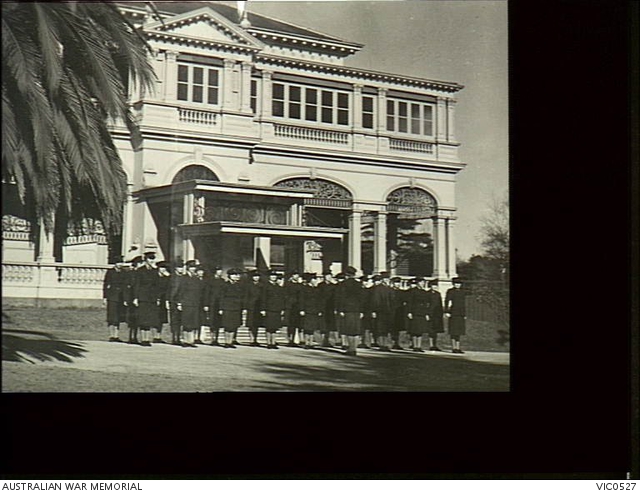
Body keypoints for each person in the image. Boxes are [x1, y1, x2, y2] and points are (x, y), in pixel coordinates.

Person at [132, 251, 161, 347]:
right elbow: (137, 285)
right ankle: (143, 338)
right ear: (146, 260)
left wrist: (157, 297)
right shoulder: (140, 271)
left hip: (152, 297)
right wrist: (136, 297)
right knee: (143, 318)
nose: (152, 261)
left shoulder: (154, 271)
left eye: (153, 259)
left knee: (149, 318)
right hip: (142, 296)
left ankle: (147, 339)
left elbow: (157, 286)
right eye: (150, 259)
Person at [334, 266, 364, 356]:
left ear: (346, 274)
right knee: (356, 330)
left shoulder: (343, 284)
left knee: (349, 330)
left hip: (347, 310)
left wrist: (340, 309)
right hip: (357, 310)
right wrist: (361, 310)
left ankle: (351, 349)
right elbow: (362, 298)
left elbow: (340, 298)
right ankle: (354, 348)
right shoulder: (358, 284)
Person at [175, 260, 205, 347]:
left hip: (195, 303)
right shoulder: (184, 278)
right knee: (186, 322)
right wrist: (179, 303)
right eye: (191, 267)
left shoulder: (196, 279)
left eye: (194, 267)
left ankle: (190, 341)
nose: (193, 269)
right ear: (188, 268)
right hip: (186, 303)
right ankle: (184, 340)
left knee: (193, 322)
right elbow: (180, 291)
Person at [102, 258, 129, 342]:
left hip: (120, 296)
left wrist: (125, 298)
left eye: (121, 262)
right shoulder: (110, 272)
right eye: (118, 262)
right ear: (115, 263)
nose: (120, 264)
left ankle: (116, 335)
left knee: (118, 317)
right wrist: (105, 297)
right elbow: (106, 285)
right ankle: (111, 335)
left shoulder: (124, 272)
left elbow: (125, 286)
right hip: (112, 296)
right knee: (111, 316)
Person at [218, 268, 244, 348]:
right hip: (227, 307)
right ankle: (226, 342)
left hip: (236, 308)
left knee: (234, 325)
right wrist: (221, 308)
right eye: (234, 275)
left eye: (237, 275)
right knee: (227, 325)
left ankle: (231, 342)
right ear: (229, 276)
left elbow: (242, 297)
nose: (236, 276)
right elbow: (221, 297)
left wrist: (242, 308)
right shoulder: (225, 285)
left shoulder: (240, 286)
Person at [260, 269, 285, 349]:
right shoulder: (265, 286)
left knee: (275, 327)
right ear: (269, 277)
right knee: (268, 326)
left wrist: (282, 309)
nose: (273, 277)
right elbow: (263, 298)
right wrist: (263, 309)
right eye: (272, 276)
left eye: (274, 276)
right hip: (268, 309)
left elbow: (281, 299)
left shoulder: (278, 287)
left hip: (277, 309)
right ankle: (268, 343)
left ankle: (273, 342)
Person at [369, 274, 395, 352]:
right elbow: (375, 300)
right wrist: (374, 310)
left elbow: (393, 301)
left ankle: (386, 344)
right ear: (382, 280)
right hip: (380, 311)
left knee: (386, 328)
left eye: (388, 279)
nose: (387, 281)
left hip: (388, 311)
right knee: (380, 328)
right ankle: (381, 344)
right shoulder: (378, 289)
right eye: (385, 279)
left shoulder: (390, 289)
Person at [299, 273, 324, 349]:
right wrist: (302, 309)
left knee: (312, 327)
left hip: (315, 310)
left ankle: (311, 342)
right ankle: (306, 342)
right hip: (307, 310)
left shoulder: (317, 289)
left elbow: (320, 300)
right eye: (314, 279)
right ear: (311, 280)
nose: (316, 281)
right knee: (307, 327)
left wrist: (320, 310)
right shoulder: (304, 289)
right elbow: (301, 299)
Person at [406, 277, 429, 352]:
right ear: (418, 283)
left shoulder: (424, 292)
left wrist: (426, 313)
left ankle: (419, 346)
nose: (422, 284)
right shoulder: (413, 291)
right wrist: (409, 312)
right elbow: (410, 302)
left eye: (423, 282)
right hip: (414, 311)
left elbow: (426, 303)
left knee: (420, 330)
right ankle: (415, 346)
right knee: (414, 330)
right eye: (421, 282)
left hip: (422, 312)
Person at [445, 277, 467, 354]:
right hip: (453, 312)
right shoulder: (450, 291)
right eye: (456, 284)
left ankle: (458, 347)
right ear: (453, 284)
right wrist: (447, 311)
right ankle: (453, 347)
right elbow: (447, 301)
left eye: (459, 284)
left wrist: (464, 314)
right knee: (453, 331)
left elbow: (463, 304)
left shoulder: (462, 292)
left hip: (460, 313)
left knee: (459, 331)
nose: (458, 285)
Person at [125, 255, 143, 344]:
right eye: (140, 263)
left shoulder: (141, 273)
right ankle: (131, 337)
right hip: (131, 298)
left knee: (138, 318)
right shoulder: (131, 273)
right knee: (132, 319)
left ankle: (135, 337)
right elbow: (128, 286)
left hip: (140, 297)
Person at [206, 266, 225, 346]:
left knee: (218, 322)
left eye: (221, 270)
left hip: (219, 304)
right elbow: (207, 293)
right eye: (218, 270)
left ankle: (216, 339)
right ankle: (212, 338)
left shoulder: (223, 281)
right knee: (212, 321)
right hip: (212, 303)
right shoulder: (210, 281)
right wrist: (206, 304)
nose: (220, 272)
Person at [243, 269, 263, 346]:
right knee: (251, 324)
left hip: (258, 306)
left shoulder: (262, 285)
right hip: (251, 306)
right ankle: (251, 339)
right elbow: (246, 297)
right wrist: (245, 307)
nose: (256, 278)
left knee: (257, 323)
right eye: (255, 276)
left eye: (257, 276)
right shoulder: (248, 285)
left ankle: (256, 339)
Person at [318, 270, 337, 347]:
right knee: (323, 324)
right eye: (327, 276)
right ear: (324, 277)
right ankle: (323, 341)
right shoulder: (320, 285)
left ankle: (330, 340)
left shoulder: (333, 286)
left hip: (331, 307)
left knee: (331, 324)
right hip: (323, 307)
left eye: (330, 276)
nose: (328, 277)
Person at [284, 270, 303, 347]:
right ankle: (290, 340)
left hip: (297, 307)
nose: (296, 276)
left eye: (297, 275)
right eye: (295, 275)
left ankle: (296, 339)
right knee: (290, 324)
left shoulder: (300, 285)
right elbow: (285, 295)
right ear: (292, 276)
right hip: (289, 306)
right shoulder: (288, 284)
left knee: (296, 324)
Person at [168, 260, 185, 345]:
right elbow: (170, 290)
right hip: (173, 301)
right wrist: (169, 300)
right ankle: (174, 338)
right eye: (179, 267)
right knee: (174, 320)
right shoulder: (172, 278)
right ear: (175, 268)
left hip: (182, 301)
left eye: (182, 267)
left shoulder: (184, 277)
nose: (181, 269)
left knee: (181, 320)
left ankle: (179, 337)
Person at [154, 261, 171, 343]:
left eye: (164, 268)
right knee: (154, 318)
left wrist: (168, 277)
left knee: (161, 318)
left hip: (163, 299)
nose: (163, 269)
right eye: (161, 268)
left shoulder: (166, 278)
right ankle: (154, 336)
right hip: (155, 299)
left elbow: (169, 288)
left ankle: (159, 336)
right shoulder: (154, 276)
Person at [426, 279, 445, 351]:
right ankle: (431, 345)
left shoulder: (438, 294)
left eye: (435, 285)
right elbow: (426, 304)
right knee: (430, 330)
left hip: (437, 314)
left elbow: (440, 304)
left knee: (436, 330)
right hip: (430, 313)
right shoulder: (427, 293)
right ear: (430, 286)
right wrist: (427, 313)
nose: (434, 287)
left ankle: (435, 345)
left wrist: (441, 313)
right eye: (433, 285)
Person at [390, 276, 407, 350]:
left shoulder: (401, 292)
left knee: (398, 328)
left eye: (398, 283)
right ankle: (391, 342)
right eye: (396, 283)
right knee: (391, 327)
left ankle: (397, 342)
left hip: (399, 312)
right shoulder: (390, 291)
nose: (397, 284)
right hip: (391, 311)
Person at [358, 275, 373, 349]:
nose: (365, 283)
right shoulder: (359, 290)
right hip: (361, 310)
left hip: (368, 311)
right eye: (364, 281)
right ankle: (361, 341)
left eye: (366, 281)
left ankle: (367, 342)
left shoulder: (370, 291)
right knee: (361, 326)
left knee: (367, 327)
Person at [195, 265, 207, 344]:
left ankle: (199, 337)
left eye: (202, 271)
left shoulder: (205, 281)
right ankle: (194, 337)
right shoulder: (194, 280)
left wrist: (206, 304)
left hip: (202, 303)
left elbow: (207, 293)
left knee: (200, 321)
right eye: (199, 271)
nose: (201, 273)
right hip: (195, 302)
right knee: (194, 320)